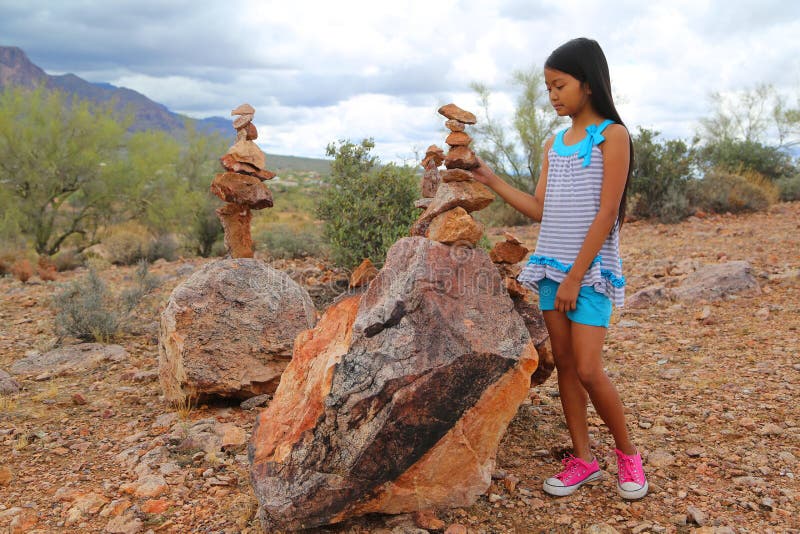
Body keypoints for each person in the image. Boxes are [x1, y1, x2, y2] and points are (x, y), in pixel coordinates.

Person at [472, 37, 648, 500]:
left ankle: (627, 454)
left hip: (589, 274)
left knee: (590, 369)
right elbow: (540, 209)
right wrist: (489, 179)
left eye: (559, 85)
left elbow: (607, 211)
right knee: (566, 368)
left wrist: (576, 276)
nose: (552, 95)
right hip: (551, 268)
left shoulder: (612, 136)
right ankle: (584, 459)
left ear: (587, 84)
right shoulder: (554, 143)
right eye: (548, 87)